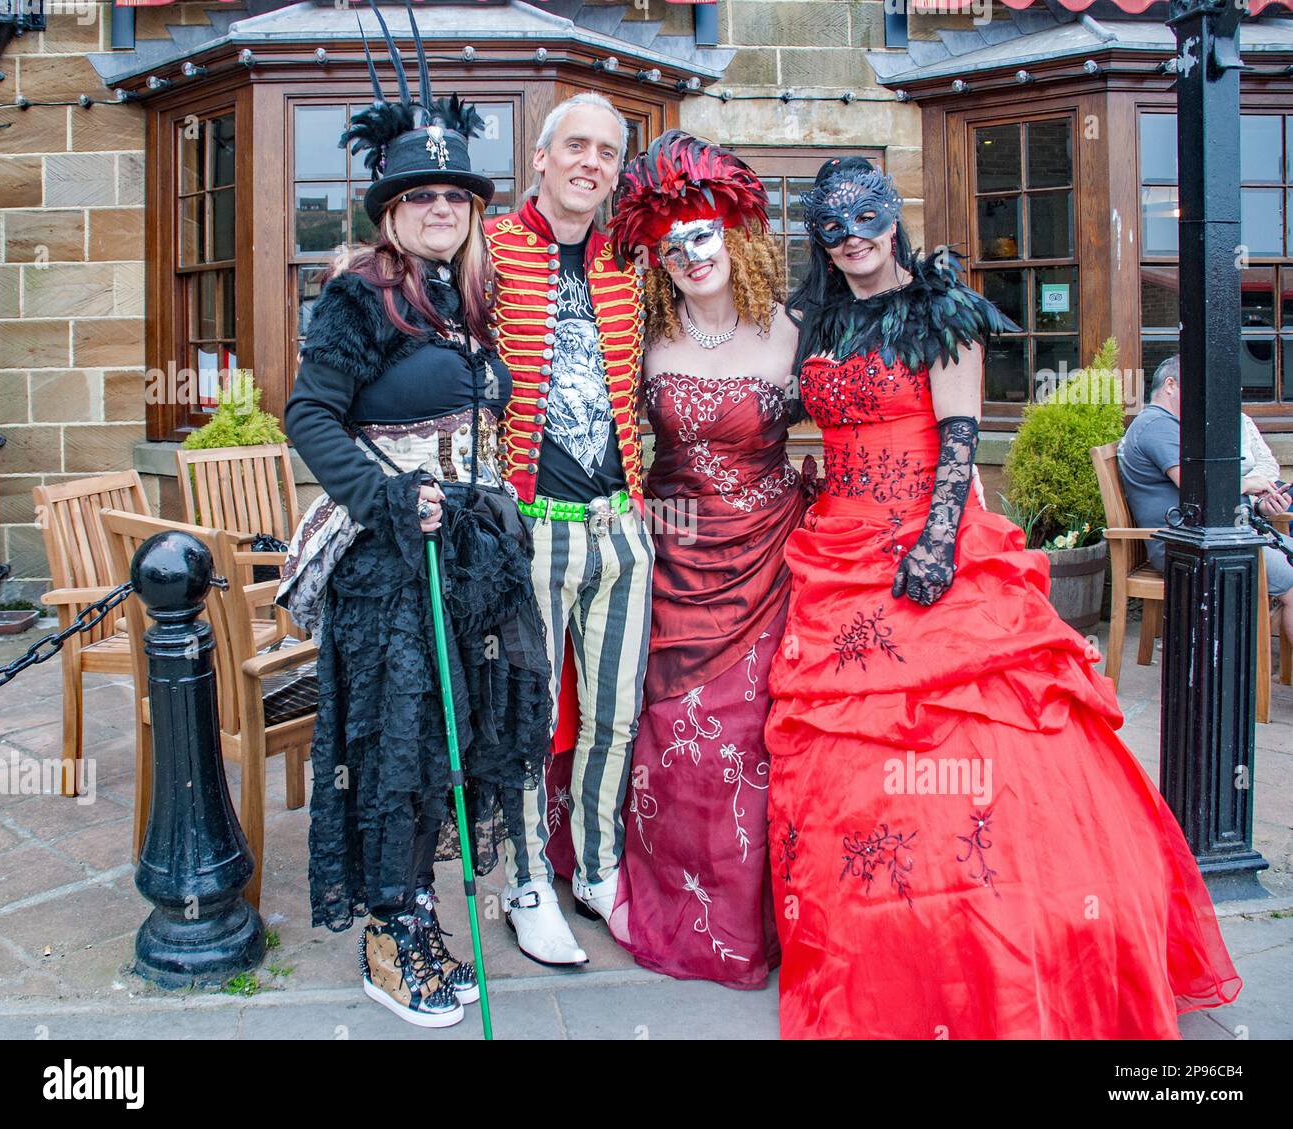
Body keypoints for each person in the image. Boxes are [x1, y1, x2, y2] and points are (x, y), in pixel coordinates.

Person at [764, 156, 1241, 1038]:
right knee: (846, 750)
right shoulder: (821, 318)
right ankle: (884, 943)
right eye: (832, 226)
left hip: (922, 546)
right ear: (818, 239)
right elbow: (825, 417)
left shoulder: (941, 311)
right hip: (838, 546)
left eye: (866, 217)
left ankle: (986, 941)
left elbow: (958, 437)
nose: (852, 237)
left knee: (976, 738)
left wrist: (938, 543)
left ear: (892, 216)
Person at [281, 11, 549, 1027]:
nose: (440, 206)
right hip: (390, 560)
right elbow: (308, 412)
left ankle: (421, 917)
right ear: (389, 211)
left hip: (466, 551)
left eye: (454, 194)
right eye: (419, 195)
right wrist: (388, 496)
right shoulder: (361, 296)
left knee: (450, 737)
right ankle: (392, 935)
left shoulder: (458, 295)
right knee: (397, 741)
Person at [603, 131, 810, 987]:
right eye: (669, 242)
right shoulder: (639, 336)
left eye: (702, 235)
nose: (688, 255)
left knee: (758, 738)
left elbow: (860, 420)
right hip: (676, 559)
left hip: (771, 561)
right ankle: (678, 904)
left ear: (738, 235)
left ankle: (762, 919)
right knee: (672, 733)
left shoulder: (793, 334)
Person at [485, 93, 652, 966]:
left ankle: (595, 865)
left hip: (622, 524)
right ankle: (524, 884)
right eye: (575, 146)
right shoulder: (491, 245)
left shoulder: (633, 257)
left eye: (607, 152)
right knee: (527, 714)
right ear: (542, 158)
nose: (590, 161)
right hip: (532, 527)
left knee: (615, 717)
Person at [1119, 355, 1293, 642]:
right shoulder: (1157, 426)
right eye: (1199, 387)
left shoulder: (1169, 425)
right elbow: (1196, 487)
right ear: (1171, 386)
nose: (1206, 396)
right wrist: (1250, 483)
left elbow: (1211, 493)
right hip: (1188, 548)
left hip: (1210, 536)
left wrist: (1259, 505)